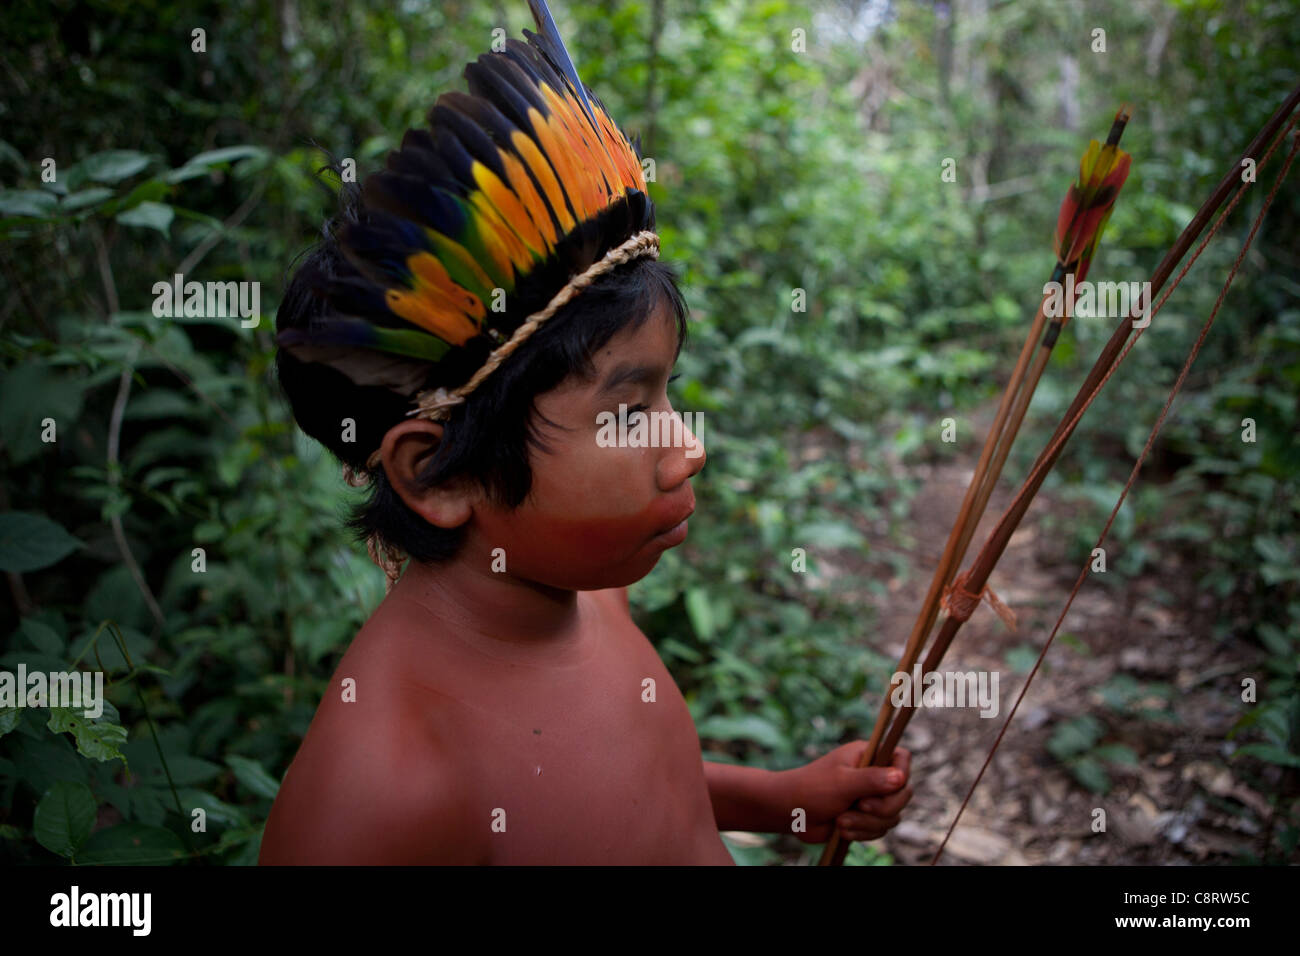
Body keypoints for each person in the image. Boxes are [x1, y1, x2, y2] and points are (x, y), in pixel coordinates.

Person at [260, 9, 909, 865]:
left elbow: (628, 780)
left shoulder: (586, 588)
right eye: (628, 412)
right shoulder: (385, 786)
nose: (690, 450)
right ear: (437, 476)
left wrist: (786, 802)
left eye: (666, 395)